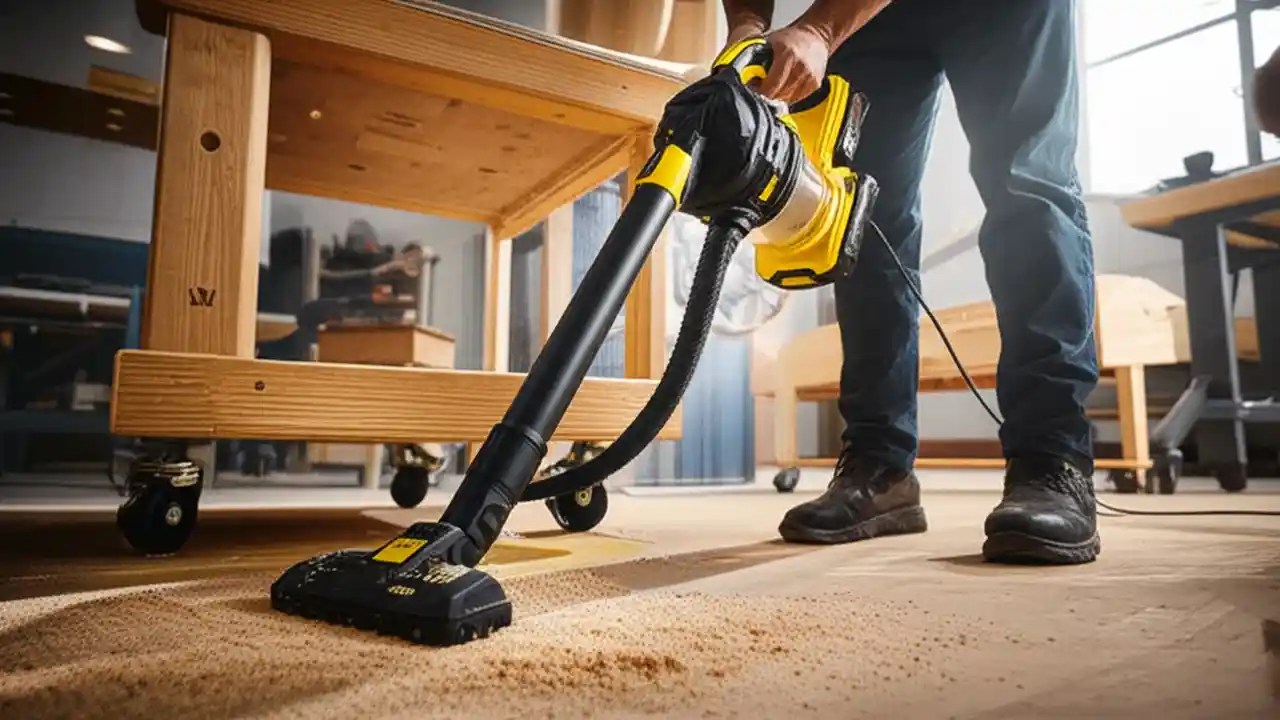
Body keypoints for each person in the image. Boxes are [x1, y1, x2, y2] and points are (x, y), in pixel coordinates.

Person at [720, 0, 1100, 564]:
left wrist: (821, 29)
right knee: (865, 216)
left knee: (1028, 186)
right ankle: (880, 467)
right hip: (875, 17)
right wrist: (745, 30)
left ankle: (1052, 460)